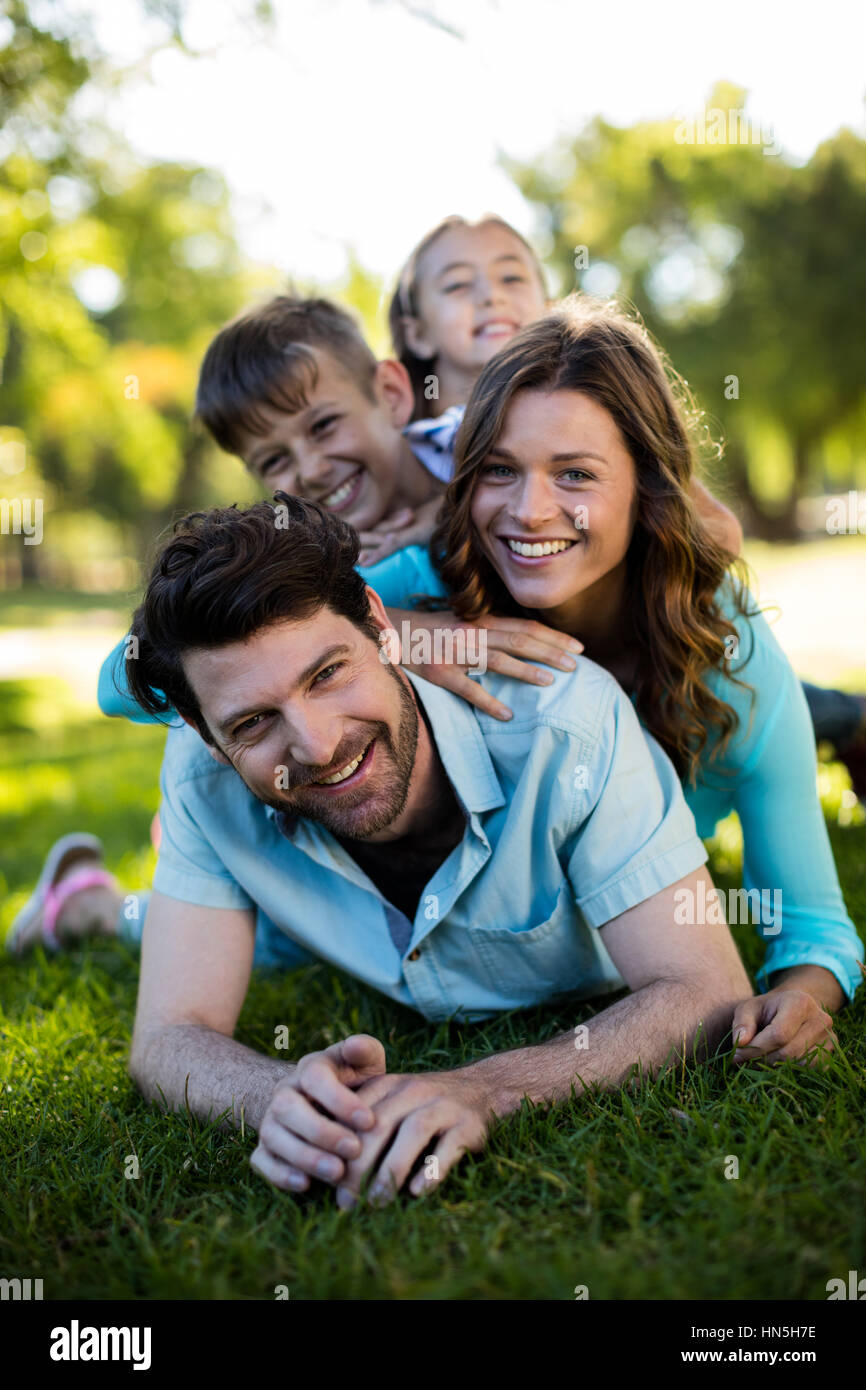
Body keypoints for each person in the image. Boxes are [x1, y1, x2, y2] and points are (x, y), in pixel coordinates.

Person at [121, 493, 751, 1205]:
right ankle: (84, 906)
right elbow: (168, 1035)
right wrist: (281, 1098)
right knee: (139, 920)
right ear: (207, 736)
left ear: (380, 625)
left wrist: (481, 1088)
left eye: (328, 674)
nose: (319, 745)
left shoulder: (566, 728)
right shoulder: (202, 774)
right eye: (255, 722)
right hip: (294, 931)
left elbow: (705, 989)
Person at [356, 297, 864, 1066]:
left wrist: (803, 991)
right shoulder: (435, 581)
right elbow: (146, 672)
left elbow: (813, 923)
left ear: (647, 484)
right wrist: (411, 633)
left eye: (575, 474)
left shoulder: (729, 651)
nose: (529, 512)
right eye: (499, 470)